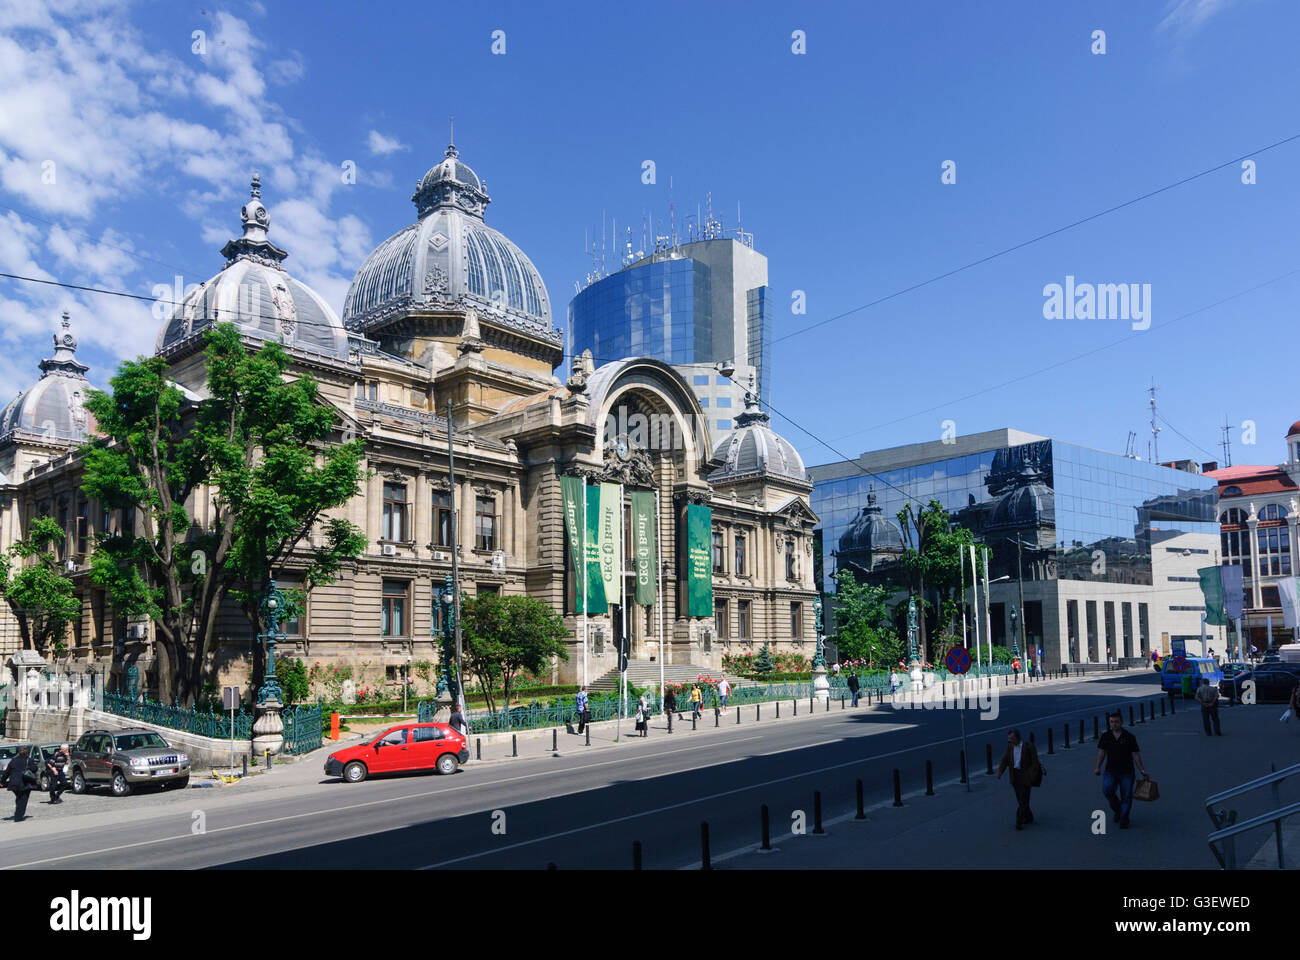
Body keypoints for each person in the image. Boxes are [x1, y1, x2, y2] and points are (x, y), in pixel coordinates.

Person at [1095, 712, 1150, 829]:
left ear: (1121, 722)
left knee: (1126, 796)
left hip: (1127, 772)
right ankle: (1118, 810)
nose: (1114, 724)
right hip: (1110, 770)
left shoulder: (1129, 737)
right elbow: (1101, 752)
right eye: (1111, 722)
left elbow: (1135, 754)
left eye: (1116, 722)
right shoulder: (1106, 736)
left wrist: (1142, 770)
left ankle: (1124, 818)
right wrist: (1098, 767)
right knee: (1107, 790)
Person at [996, 729, 1041, 830]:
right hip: (1015, 776)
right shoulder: (1009, 747)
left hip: (1025, 776)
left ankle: (1019, 821)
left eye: (1011, 739)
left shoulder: (1028, 747)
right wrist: (1000, 772)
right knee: (1021, 800)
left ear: (1017, 738)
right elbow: (1005, 760)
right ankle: (1029, 816)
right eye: (1008, 739)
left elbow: (1035, 762)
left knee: (1023, 800)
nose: (1009, 741)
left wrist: (1032, 776)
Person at [1, 745, 36, 822]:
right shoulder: (29, 760)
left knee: (19, 798)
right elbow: (34, 769)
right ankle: (18, 816)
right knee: (23, 800)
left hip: (14, 783)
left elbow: (6, 772)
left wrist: (2, 782)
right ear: (27, 752)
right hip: (25, 782)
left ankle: (18, 813)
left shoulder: (13, 760)